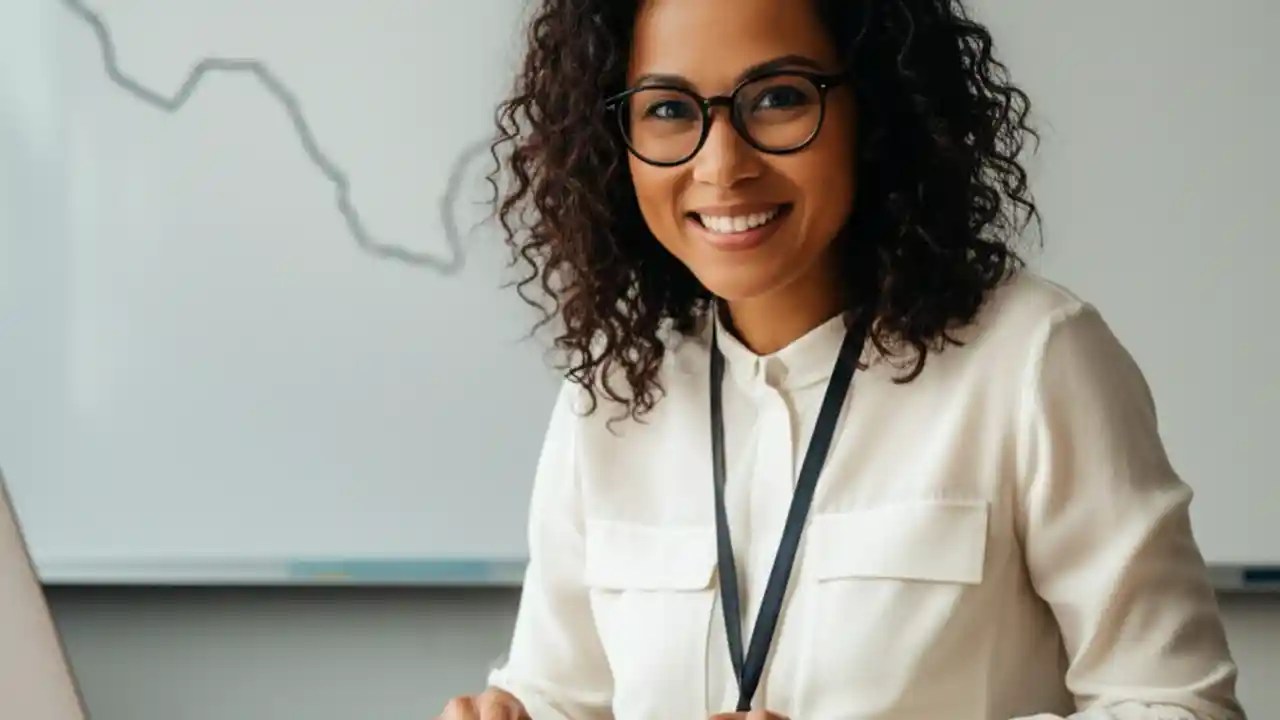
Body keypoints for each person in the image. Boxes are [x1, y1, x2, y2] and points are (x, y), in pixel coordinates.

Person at [438, 0, 1244, 718]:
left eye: (779, 98)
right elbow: (562, 693)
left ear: (877, 108)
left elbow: (1177, 702)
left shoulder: (1033, 357)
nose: (721, 165)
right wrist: (512, 712)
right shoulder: (609, 396)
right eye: (669, 109)